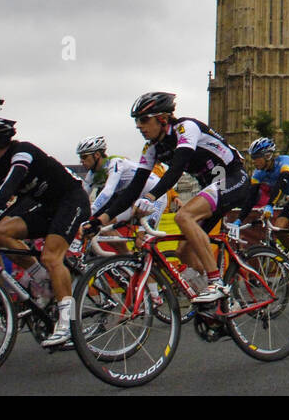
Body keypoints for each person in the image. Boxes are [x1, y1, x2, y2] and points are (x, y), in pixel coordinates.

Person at [93, 92, 252, 305]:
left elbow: (176, 169)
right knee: (183, 251)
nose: (139, 126)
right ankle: (221, 302)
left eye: (143, 120)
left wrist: (150, 197)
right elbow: (132, 189)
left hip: (231, 177)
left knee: (184, 217)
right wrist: (99, 220)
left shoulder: (186, 128)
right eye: (136, 122)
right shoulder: (151, 148)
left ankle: (217, 283)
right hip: (212, 185)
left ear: (163, 118)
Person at [0, 117, 91, 348]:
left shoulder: (22, 151)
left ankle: (67, 324)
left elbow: (8, 188)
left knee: (51, 256)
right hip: (45, 206)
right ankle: (44, 283)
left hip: (71, 200)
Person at [233, 136, 289, 266]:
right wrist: (239, 219)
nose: (253, 161)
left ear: (268, 156)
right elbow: (251, 198)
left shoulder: (285, 162)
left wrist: (270, 205)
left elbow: (282, 183)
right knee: (278, 229)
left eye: (256, 157)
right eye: (252, 158)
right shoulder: (258, 173)